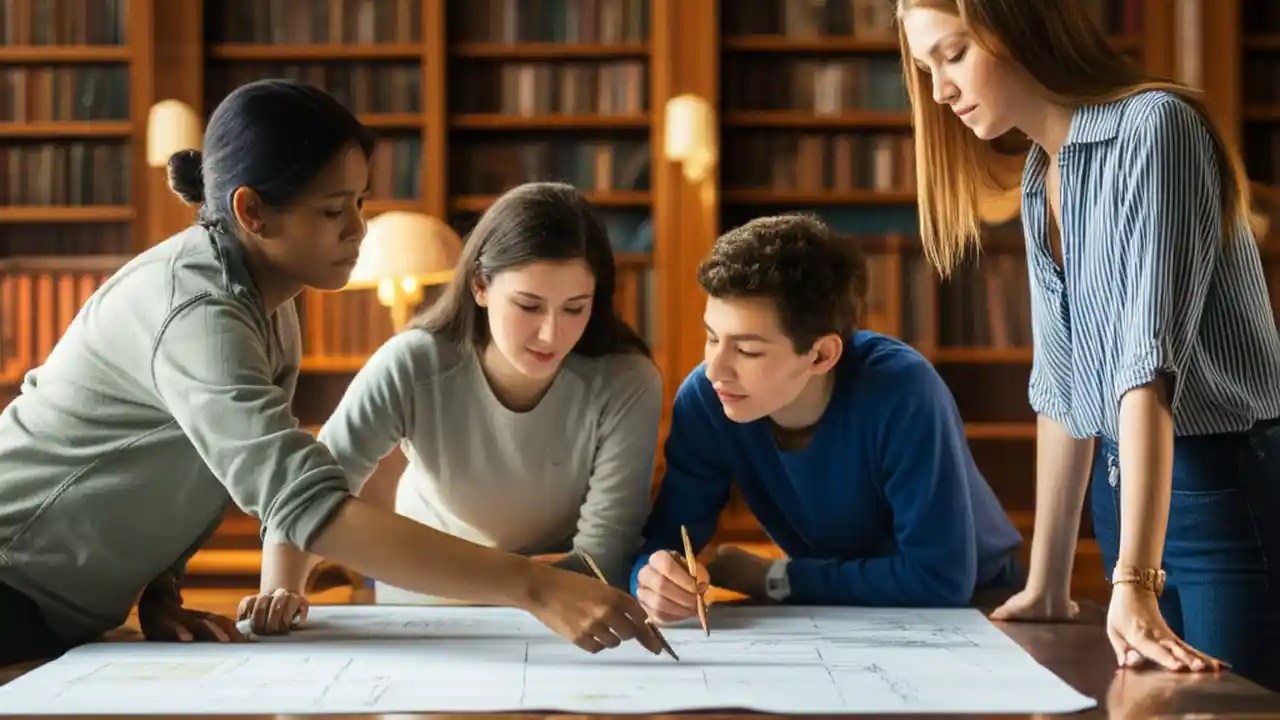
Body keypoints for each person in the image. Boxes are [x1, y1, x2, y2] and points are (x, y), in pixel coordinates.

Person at [0, 79, 664, 667]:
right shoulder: (198, 309)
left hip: (59, 616)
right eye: (331, 210)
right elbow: (301, 501)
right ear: (252, 212)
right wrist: (536, 587)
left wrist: (161, 589)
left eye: (359, 203)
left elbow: (193, 462)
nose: (359, 230)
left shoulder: (268, 303)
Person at [898, 0, 1280, 689]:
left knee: (1233, 706)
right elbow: (1062, 387)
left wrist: (1134, 580)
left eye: (953, 55)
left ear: (1021, 25)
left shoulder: (1156, 127)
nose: (941, 91)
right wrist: (1048, 582)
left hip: (1222, 492)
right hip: (1123, 494)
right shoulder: (1041, 175)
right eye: (927, 69)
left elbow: (1146, 369)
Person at [240, 181, 662, 617]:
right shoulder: (413, 364)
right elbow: (308, 495)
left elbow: (604, 558)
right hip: (423, 612)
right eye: (529, 305)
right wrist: (280, 590)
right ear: (480, 286)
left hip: (563, 613)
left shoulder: (626, 383)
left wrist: (511, 586)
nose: (551, 334)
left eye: (575, 308)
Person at [629, 214, 1023, 622]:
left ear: (821, 355)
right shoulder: (707, 398)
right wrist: (652, 579)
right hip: (838, 607)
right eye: (712, 338)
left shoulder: (903, 391)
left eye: (747, 351)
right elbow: (662, 544)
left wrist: (774, 577)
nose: (715, 370)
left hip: (979, 602)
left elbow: (939, 579)